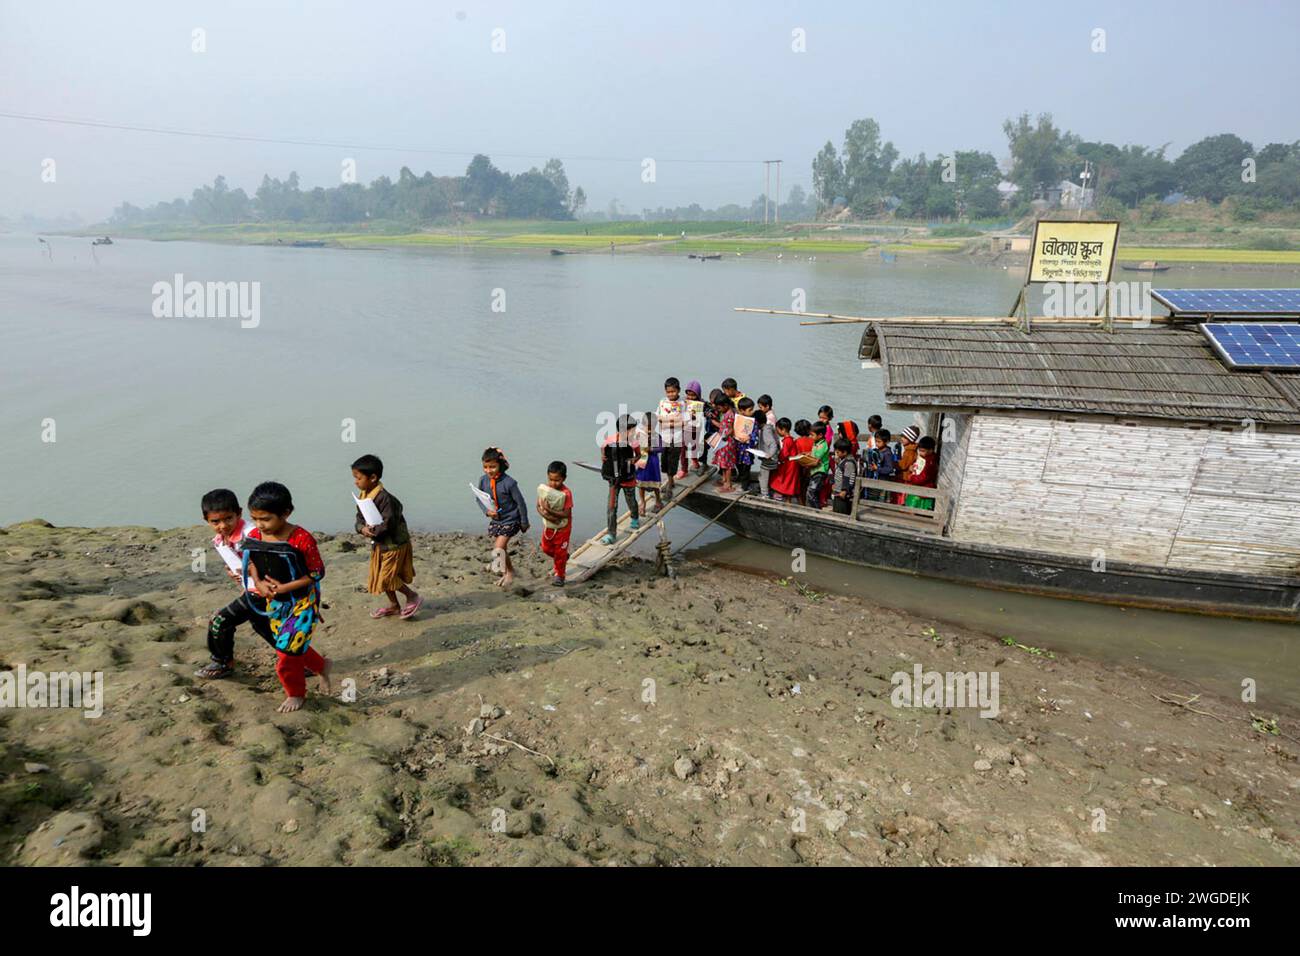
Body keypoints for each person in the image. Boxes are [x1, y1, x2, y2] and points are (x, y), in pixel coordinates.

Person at [242, 481, 332, 713]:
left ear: (286, 513)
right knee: (290, 645)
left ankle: (296, 694)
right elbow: (251, 562)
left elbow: (315, 573)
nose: (260, 525)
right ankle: (322, 667)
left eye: (266, 519)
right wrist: (259, 583)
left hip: (302, 602)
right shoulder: (255, 535)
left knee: (286, 654)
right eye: (255, 518)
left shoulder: (301, 539)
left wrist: (286, 588)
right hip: (275, 602)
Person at [197, 488, 263, 680]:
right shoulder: (220, 540)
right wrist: (232, 571)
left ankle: (222, 662)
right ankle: (305, 662)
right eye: (215, 522)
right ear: (206, 520)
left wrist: (247, 570)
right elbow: (235, 561)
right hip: (252, 588)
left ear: (239, 514)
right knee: (267, 628)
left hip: (262, 590)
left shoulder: (252, 534)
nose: (223, 526)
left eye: (228, 519)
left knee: (220, 620)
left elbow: (268, 563)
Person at [351, 454, 421, 620]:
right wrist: (362, 529)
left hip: (393, 545)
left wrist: (372, 531)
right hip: (379, 545)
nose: (356, 482)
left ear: (373, 477)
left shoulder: (385, 498)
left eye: (358, 478)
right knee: (382, 575)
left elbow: (388, 524)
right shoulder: (363, 495)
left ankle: (412, 596)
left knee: (386, 578)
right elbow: (359, 518)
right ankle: (394, 606)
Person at [477, 447, 530, 588]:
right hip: (496, 520)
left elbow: (521, 502)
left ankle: (509, 572)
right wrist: (487, 512)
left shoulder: (510, 483)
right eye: (485, 467)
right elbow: (479, 499)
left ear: (500, 465)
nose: (489, 470)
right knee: (502, 549)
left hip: (511, 519)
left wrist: (524, 522)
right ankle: (505, 570)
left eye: (493, 467)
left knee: (498, 548)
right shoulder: (483, 481)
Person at [600, 414, 640, 544]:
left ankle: (634, 517)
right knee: (611, 507)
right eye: (632, 430)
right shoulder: (610, 441)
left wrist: (634, 461)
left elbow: (638, 455)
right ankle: (611, 534)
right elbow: (603, 448)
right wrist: (603, 457)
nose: (634, 432)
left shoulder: (633, 442)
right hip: (613, 480)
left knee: (631, 501)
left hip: (628, 478)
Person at [536, 461, 574, 587]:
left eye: (557, 480)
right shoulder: (545, 490)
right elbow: (538, 506)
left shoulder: (566, 493)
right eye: (551, 479)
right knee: (546, 548)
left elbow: (566, 514)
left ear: (564, 478)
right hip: (549, 526)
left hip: (563, 529)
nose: (553, 483)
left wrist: (549, 510)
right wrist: (546, 515)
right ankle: (563, 557)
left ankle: (560, 576)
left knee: (559, 554)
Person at [658, 377, 687, 486]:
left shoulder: (682, 404)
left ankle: (670, 482)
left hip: (677, 438)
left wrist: (669, 422)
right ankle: (669, 479)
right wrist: (672, 422)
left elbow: (685, 421)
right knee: (664, 460)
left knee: (673, 461)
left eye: (673, 391)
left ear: (678, 390)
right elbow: (658, 418)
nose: (671, 394)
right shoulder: (662, 402)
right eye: (668, 392)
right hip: (664, 437)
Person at [634, 411, 663, 514]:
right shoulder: (640, 435)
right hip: (642, 461)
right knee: (641, 483)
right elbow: (635, 446)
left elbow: (661, 448)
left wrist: (651, 449)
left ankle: (658, 501)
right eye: (647, 427)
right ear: (643, 425)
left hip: (653, 462)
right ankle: (642, 502)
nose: (649, 430)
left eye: (652, 427)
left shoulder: (657, 436)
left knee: (655, 484)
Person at [710, 393, 738, 493]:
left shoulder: (730, 415)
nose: (718, 410)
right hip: (723, 441)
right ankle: (724, 480)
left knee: (727, 464)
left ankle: (728, 484)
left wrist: (724, 437)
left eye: (719, 408)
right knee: (723, 463)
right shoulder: (727, 413)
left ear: (725, 405)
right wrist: (715, 422)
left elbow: (731, 430)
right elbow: (724, 426)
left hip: (727, 442)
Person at [769, 417, 802, 502]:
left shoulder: (787, 441)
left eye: (778, 430)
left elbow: (785, 454)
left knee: (784, 480)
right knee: (790, 482)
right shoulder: (791, 439)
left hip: (788, 465)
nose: (777, 432)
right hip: (793, 463)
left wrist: (777, 457)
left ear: (783, 430)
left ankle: (780, 495)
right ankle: (788, 500)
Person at [903, 436, 939, 510]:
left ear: (931, 450)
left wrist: (911, 477)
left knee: (914, 511)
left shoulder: (930, 463)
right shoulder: (923, 459)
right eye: (920, 450)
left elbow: (924, 477)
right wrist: (911, 468)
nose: (921, 453)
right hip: (918, 489)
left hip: (923, 491)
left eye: (923, 451)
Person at [862, 428, 897, 501]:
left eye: (879, 442)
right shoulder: (877, 451)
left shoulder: (887, 454)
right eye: (876, 441)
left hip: (883, 481)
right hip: (875, 479)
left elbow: (889, 469)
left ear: (886, 442)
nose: (877, 443)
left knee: (880, 501)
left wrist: (877, 469)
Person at [733, 396, 759, 489]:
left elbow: (755, 434)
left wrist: (749, 438)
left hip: (747, 449)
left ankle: (745, 485)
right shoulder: (736, 420)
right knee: (738, 464)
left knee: (746, 467)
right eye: (750, 410)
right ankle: (740, 476)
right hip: (737, 447)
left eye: (752, 409)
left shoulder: (754, 422)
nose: (752, 412)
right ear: (741, 411)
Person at [804, 420, 831, 509]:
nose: (810, 437)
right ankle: (814, 509)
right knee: (813, 493)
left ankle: (816, 511)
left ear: (820, 435)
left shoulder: (822, 445)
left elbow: (816, 461)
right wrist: (806, 454)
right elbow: (813, 454)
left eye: (812, 435)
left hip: (820, 472)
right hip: (815, 472)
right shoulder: (816, 443)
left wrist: (805, 463)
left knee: (811, 492)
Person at [754, 409, 779, 498]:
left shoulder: (766, 431)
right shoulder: (767, 428)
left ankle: (764, 494)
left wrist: (770, 454)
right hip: (772, 458)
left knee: (762, 477)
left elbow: (773, 444)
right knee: (767, 476)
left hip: (769, 459)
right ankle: (767, 490)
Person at [683, 380, 706, 474]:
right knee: (684, 447)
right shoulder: (684, 402)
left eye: (693, 395)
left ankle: (696, 462)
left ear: (698, 395)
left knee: (695, 447)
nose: (691, 397)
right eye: (689, 395)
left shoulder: (702, 404)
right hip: (686, 429)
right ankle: (685, 468)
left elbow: (707, 413)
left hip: (697, 430)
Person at [831, 438, 859, 514]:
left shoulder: (849, 463)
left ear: (845, 452)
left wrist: (845, 490)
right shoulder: (844, 460)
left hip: (843, 494)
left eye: (837, 452)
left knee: (842, 512)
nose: (836, 453)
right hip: (838, 492)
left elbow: (848, 478)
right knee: (836, 511)